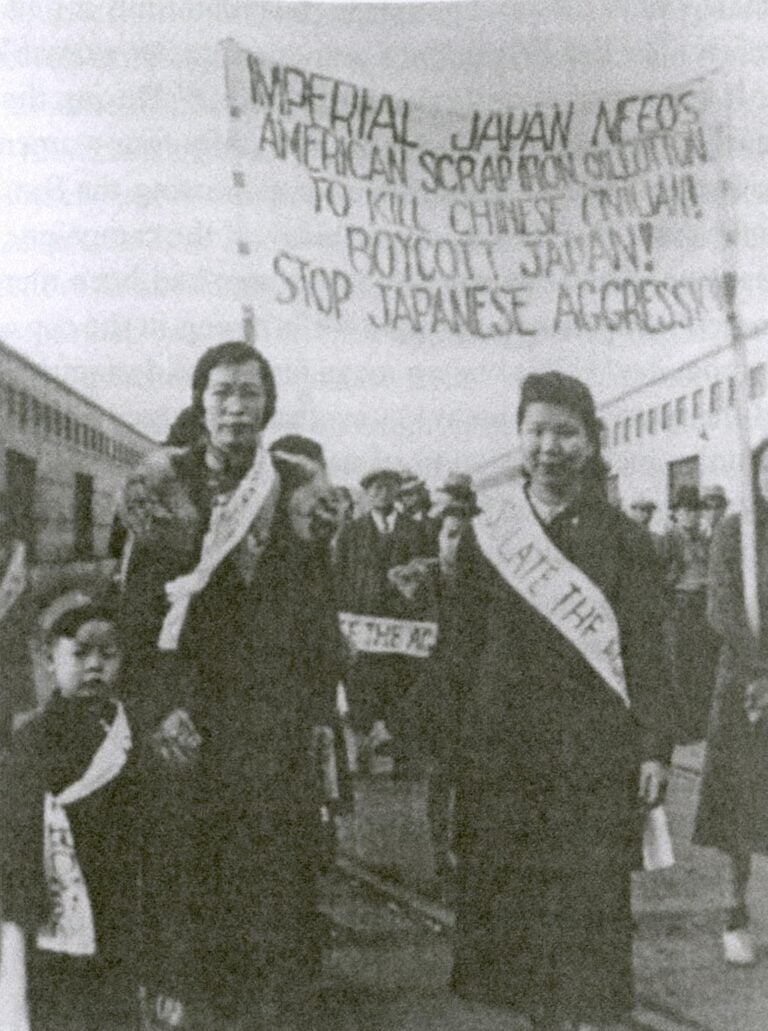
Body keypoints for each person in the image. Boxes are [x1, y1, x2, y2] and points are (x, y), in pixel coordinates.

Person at [119, 341, 344, 1026]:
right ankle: (184, 996)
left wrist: (314, 715)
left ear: (268, 404)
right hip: (185, 710)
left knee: (272, 862)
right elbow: (135, 611)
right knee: (185, 857)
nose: (235, 407)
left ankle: (266, 1004)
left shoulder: (298, 494)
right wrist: (158, 709)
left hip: (271, 713)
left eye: (249, 393)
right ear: (201, 400)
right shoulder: (158, 489)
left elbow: (316, 616)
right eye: (221, 392)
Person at [450, 371, 671, 1031]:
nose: (550, 446)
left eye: (565, 431)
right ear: (520, 437)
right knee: (512, 905)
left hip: (591, 754)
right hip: (502, 752)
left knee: (590, 905)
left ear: (591, 440)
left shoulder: (627, 541)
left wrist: (655, 746)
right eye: (537, 430)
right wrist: (449, 745)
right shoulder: (487, 535)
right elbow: (458, 650)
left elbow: (647, 652)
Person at [0, 595, 138, 1031]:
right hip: (53, 914)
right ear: (49, 659)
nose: (94, 666)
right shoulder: (33, 740)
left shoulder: (125, 736)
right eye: (79, 653)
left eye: (107, 655)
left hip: (117, 905)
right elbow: (15, 835)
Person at [693, 440, 768, 967]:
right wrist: (760, 668)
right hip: (746, 682)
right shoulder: (734, 532)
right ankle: (736, 910)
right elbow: (720, 608)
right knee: (741, 800)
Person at [334, 468, 435, 768]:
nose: (381, 493)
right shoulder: (352, 531)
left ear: (397, 492)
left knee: (401, 684)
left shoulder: (414, 530)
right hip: (364, 625)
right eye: (375, 488)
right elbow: (340, 575)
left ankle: (402, 756)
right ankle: (364, 753)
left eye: (388, 488)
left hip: (402, 627)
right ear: (367, 493)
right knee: (363, 684)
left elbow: (427, 571)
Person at [660, 485, 721, 743]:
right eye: (686, 510)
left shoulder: (703, 539)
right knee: (680, 666)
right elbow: (658, 578)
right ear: (675, 513)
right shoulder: (669, 539)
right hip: (680, 606)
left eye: (695, 510)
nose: (692, 515)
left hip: (702, 606)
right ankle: (684, 728)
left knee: (703, 664)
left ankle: (701, 722)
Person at [0, 492, 36, 748]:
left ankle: (4, 740)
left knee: (7, 690)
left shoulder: (17, 550)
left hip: (8, 630)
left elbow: (21, 590)